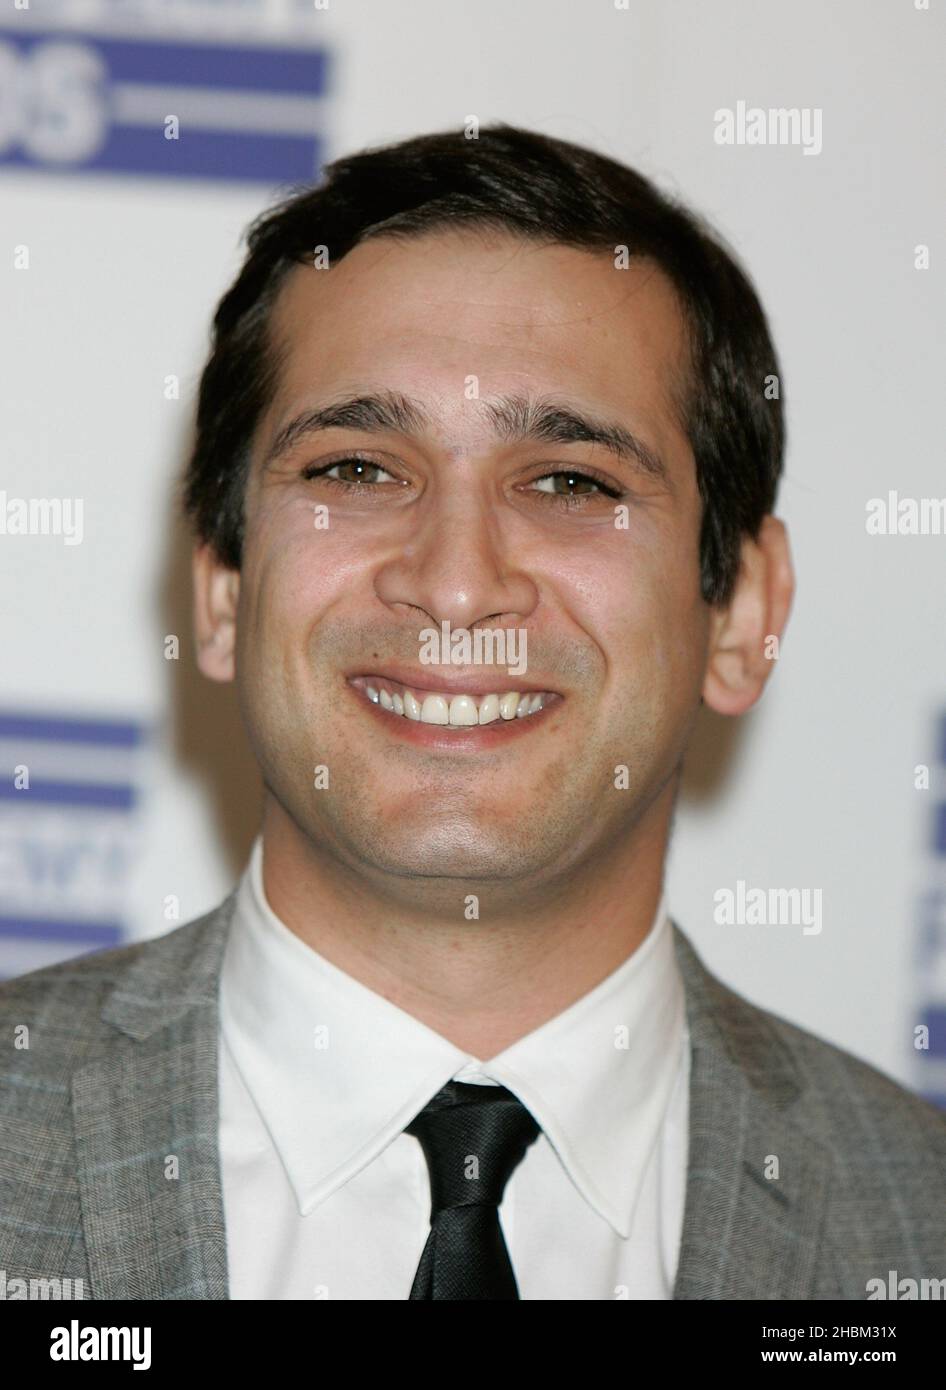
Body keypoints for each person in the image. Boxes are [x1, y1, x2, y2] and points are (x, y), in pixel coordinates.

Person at [2, 124, 944, 1302]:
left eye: (570, 483)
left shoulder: (916, 1225)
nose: (454, 583)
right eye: (357, 468)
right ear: (223, 589)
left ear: (742, 612)